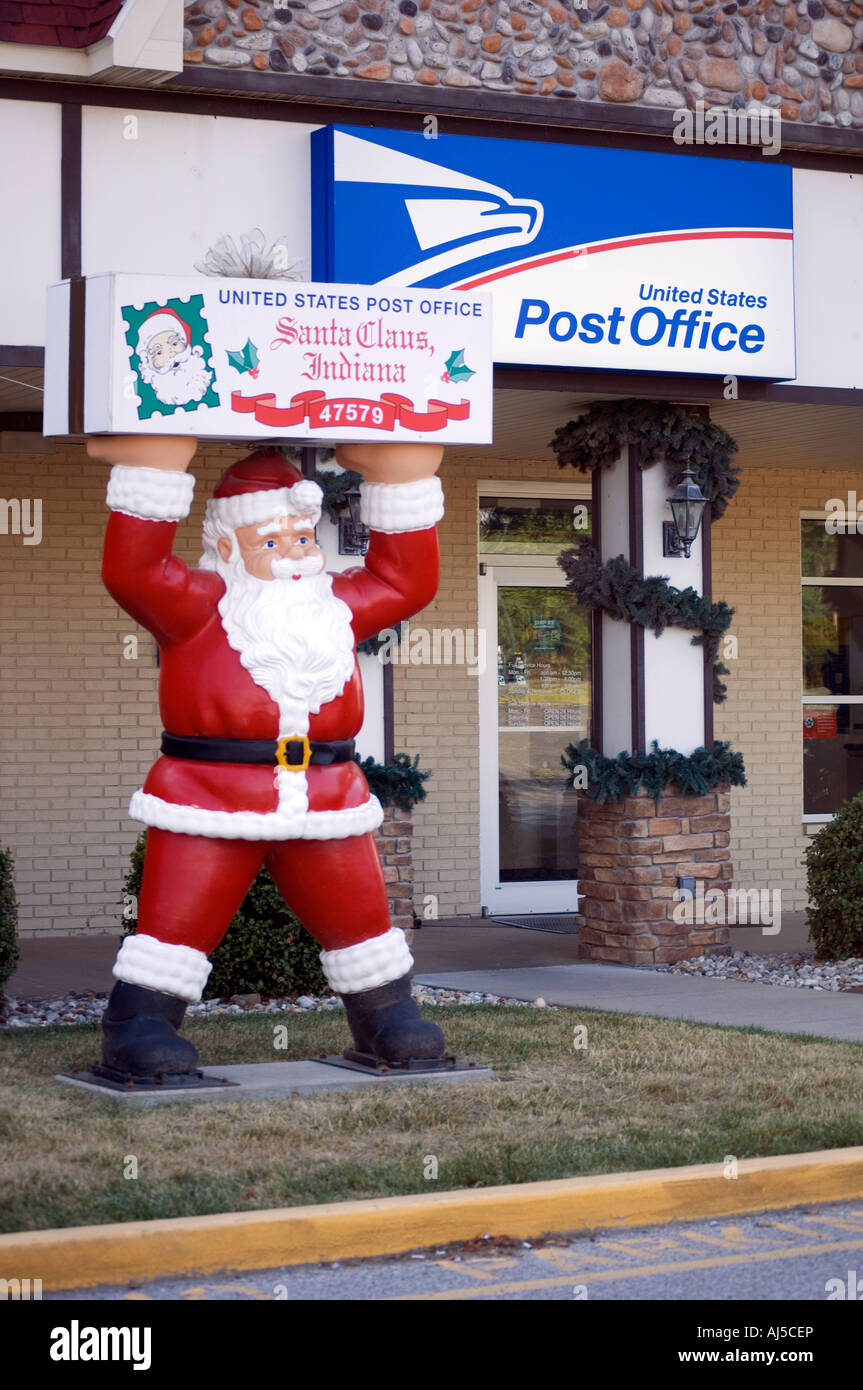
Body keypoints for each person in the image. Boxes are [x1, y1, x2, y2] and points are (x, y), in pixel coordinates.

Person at [87, 430, 447, 1077]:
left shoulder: (335, 604)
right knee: (175, 923)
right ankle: (139, 1024)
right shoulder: (197, 604)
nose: (294, 555)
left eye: (302, 539)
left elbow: (408, 578)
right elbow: (132, 571)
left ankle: (385, 1016)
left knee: (360, 920)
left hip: (325, 795)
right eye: (272, 542)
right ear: (227, 547)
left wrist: (399, 480)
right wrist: (154, 468)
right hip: (209, 794)